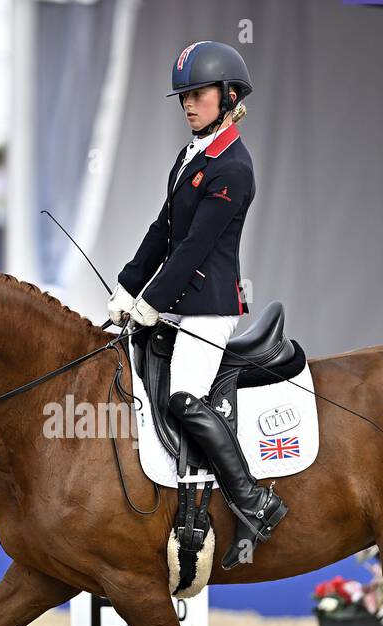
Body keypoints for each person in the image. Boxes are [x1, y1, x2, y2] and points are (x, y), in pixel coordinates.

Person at [107, 40, 286, 569]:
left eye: (199, 94)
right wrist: (125, 285)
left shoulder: (233, 166)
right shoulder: (190, 157)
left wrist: (149, 302)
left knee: (184, 397)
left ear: (229, 96)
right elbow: (163, 230)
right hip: (177, 302)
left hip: (208, 306)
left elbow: (194, 250)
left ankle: (253, 500)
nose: (189, 103)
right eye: (184, 96)